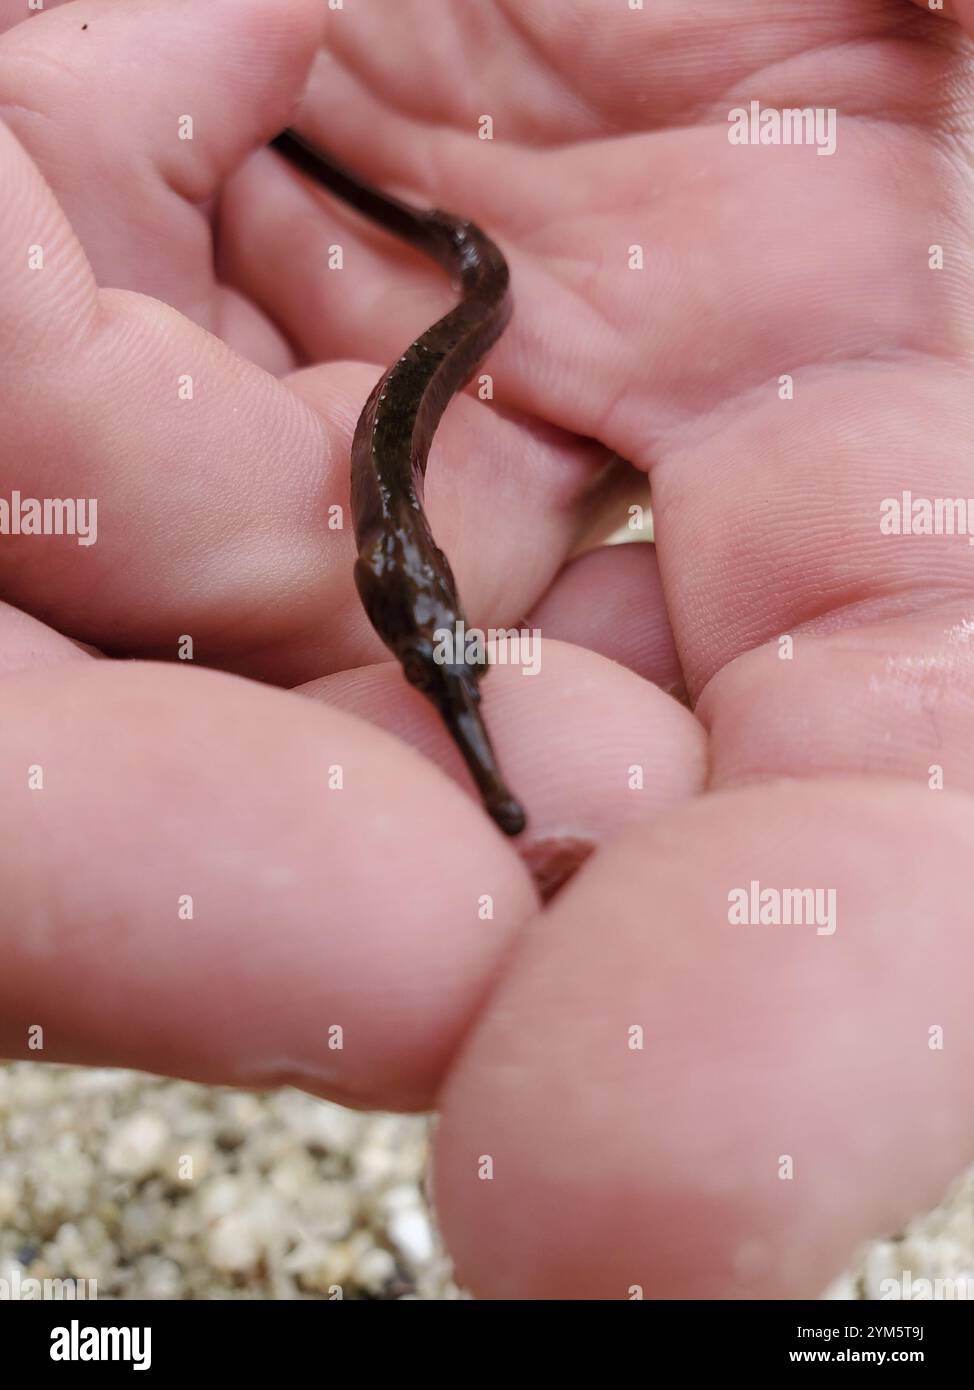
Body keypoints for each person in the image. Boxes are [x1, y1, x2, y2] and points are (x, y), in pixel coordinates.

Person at [0, 0, 970, 1299]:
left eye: (445, 669)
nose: (478, 744)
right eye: (436, 666)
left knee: (470, 296)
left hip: (461, 281)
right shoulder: (391, 532)